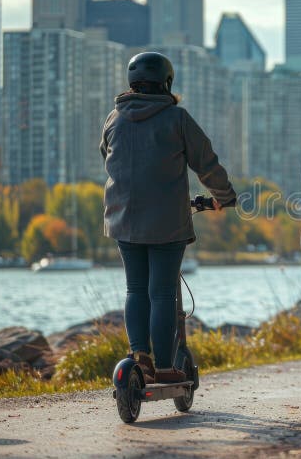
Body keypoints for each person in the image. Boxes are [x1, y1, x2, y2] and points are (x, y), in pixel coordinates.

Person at [101, 52, 236, 383]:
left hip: (122, 218)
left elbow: (106, 155)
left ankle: (140, 356)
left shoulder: (114, 117)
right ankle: (164, 366)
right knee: (161, 293)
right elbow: (206, 162)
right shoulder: (176, 117)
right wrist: (224, 196)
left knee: (135, 289)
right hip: (166, 221)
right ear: (167, 82)